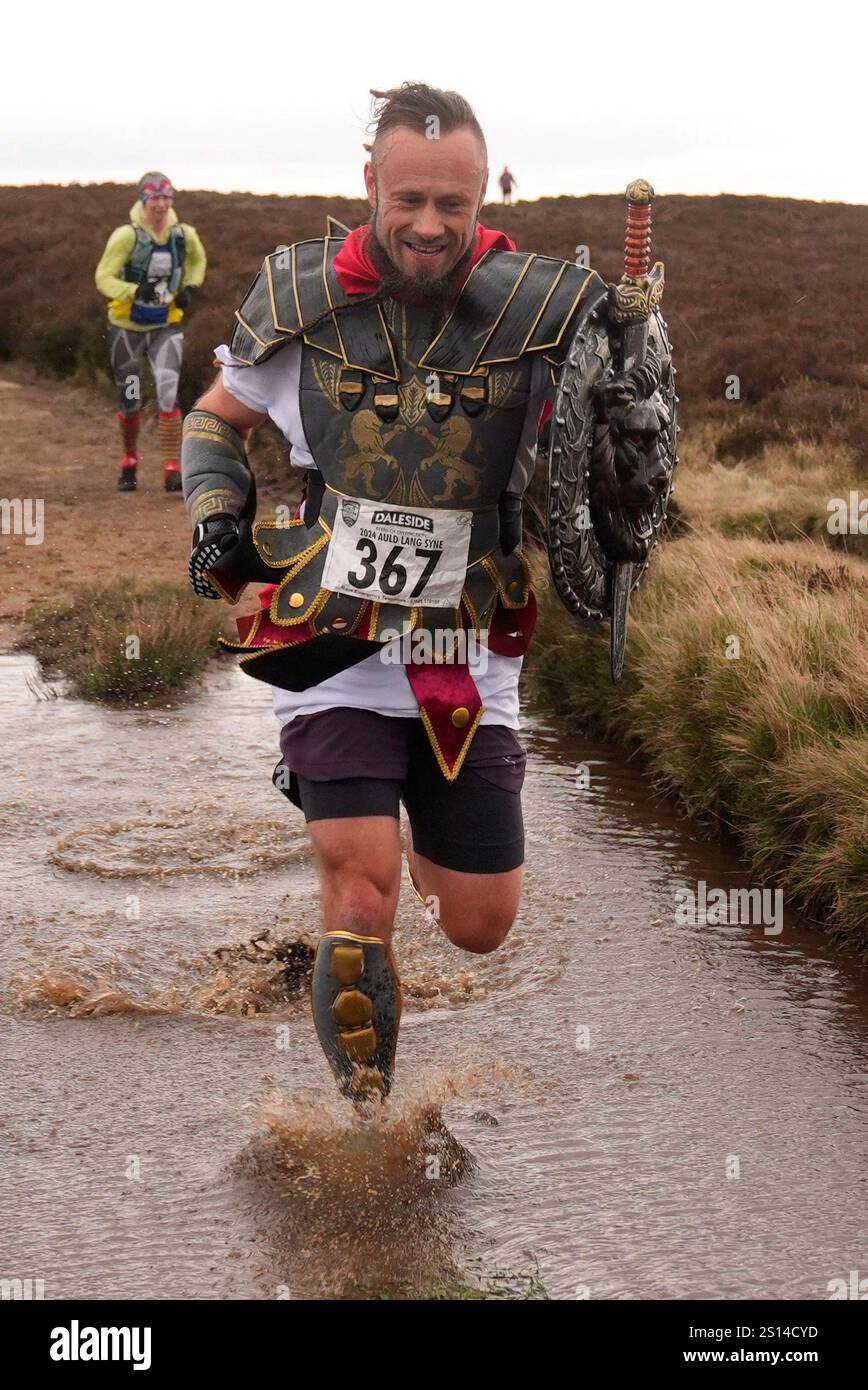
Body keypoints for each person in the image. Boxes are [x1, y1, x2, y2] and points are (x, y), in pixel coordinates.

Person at [180, 83, 608, 1109]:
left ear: (482, 196)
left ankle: (407, 819)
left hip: (467, 650)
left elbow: (612, 450)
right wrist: (215, 520)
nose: (427, 225)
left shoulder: (545, 312)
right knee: (358, 890)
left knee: (478, 924)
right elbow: (214, 415)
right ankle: (369, 1131)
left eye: (450, 206)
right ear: (369, 182)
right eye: (408, 198)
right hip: (329, 640)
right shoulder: (298, 299)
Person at [95, 172, 207, 492]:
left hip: (165, 325)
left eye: (166, 198)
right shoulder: (125, 236)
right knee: (130, 398)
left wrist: (191, 287)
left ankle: (172, 468)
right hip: (126, 329)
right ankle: (129, 461)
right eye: (154, 198)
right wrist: (134, 291)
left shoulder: (184, 235)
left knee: (167, 392)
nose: (160, 205)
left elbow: (198, 262)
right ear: (143, 201)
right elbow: (103, 277)